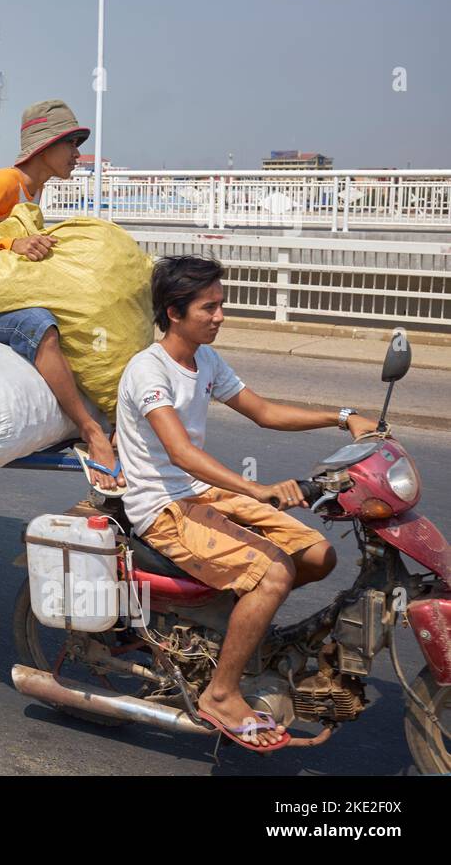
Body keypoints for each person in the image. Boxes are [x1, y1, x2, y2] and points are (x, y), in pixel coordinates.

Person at [114, 255, 379, 748]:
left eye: (221, 305)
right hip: (163, 508)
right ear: (174, 312)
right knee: (273, 572)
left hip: (201, 494)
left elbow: (263, 411)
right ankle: (221, 692)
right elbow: (181, 452)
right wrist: (256, 489)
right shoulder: (147, 370)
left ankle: (236, 628)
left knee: (319, 555)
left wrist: (343, 418)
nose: (219, 317)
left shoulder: (206, 360)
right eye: (208, 308)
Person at [0, 98, 121, 488]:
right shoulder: (4, 184)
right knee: (38, 324)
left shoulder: (33, 193)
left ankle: (116, 420)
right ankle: (91, 432)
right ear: (43, 147)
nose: (76, 154)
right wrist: (9, 246)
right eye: (70, 144)